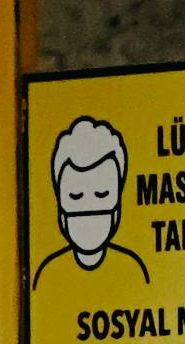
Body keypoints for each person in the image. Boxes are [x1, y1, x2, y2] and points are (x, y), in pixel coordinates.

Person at [32, 109, 149, 300]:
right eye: (75, 196)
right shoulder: (47, 275)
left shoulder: (133, 270)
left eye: (102, 194)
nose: (89, 210)